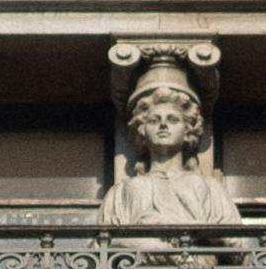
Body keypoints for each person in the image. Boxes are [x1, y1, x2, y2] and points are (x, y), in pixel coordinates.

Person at [102, 49, 241, 230]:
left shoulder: (210, 188)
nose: (163, 125)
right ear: (142, 129)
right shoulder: (120, 192)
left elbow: (238, 244)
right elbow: (102, 245)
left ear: (188, 130)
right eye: (154, 120)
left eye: (173, 119)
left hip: (198, 259)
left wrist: (190, 228)